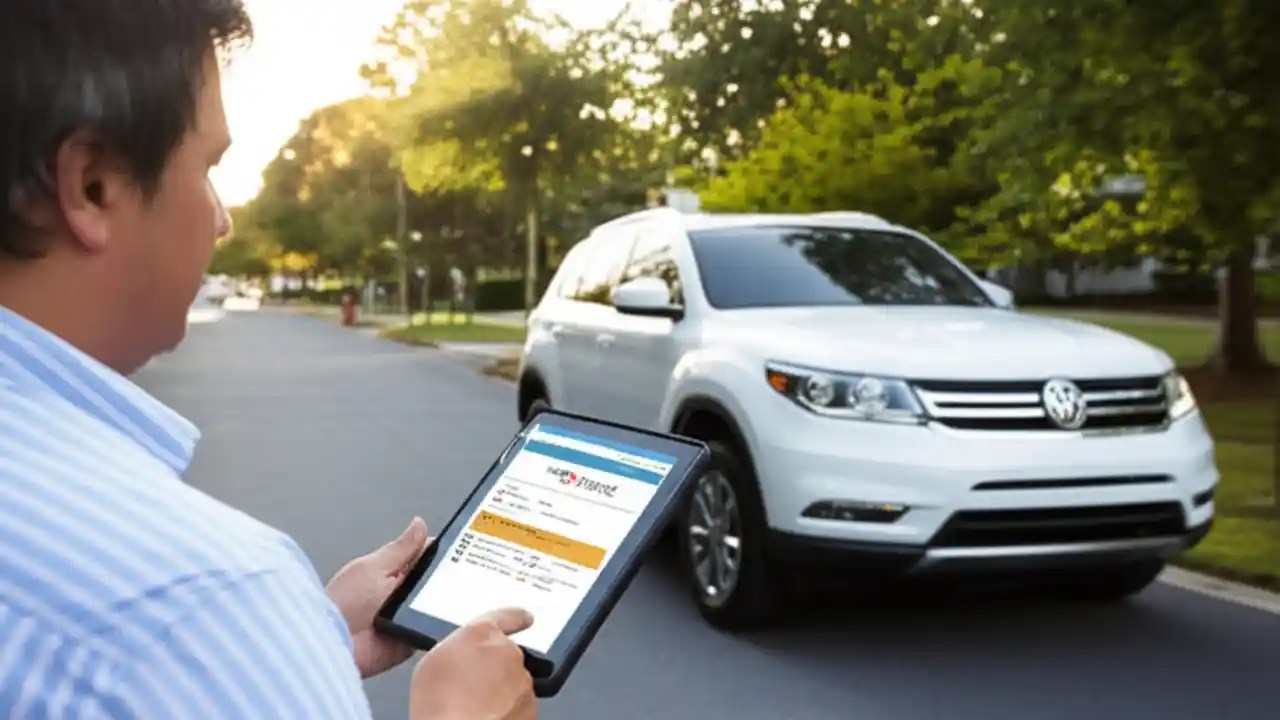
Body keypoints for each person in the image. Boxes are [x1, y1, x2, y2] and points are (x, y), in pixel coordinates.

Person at [0, 1, 537, 717]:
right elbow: (168, 652)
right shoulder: (204, 602)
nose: (222, 217)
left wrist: (306, 645)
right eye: (208, 166)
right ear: (92, 185)